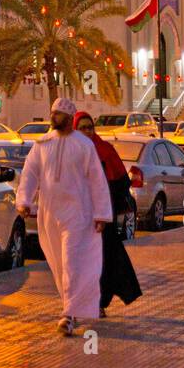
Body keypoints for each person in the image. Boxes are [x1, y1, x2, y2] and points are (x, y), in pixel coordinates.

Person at [16, 97, 114, 336]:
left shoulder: (83, 145)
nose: (53, 117)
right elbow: (30, 174)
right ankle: (70, 306)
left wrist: (101, 213)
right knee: (59, 264)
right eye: (52, 112)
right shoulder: (43, 144)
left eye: (58, 114)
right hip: (50, 214)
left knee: (71, 261)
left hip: (77, 215)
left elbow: (97, 180)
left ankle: (68, 314)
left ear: (70, 118)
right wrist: (24, 200)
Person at [74, 111, 142, 316]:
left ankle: (99, 302)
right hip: (79, 216)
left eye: (89, 127)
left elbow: (121, 180)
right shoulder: (71, 151)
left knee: (104, 258)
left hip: (103, 215)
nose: (87, 131)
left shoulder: (105, 149)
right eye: (82, 128)